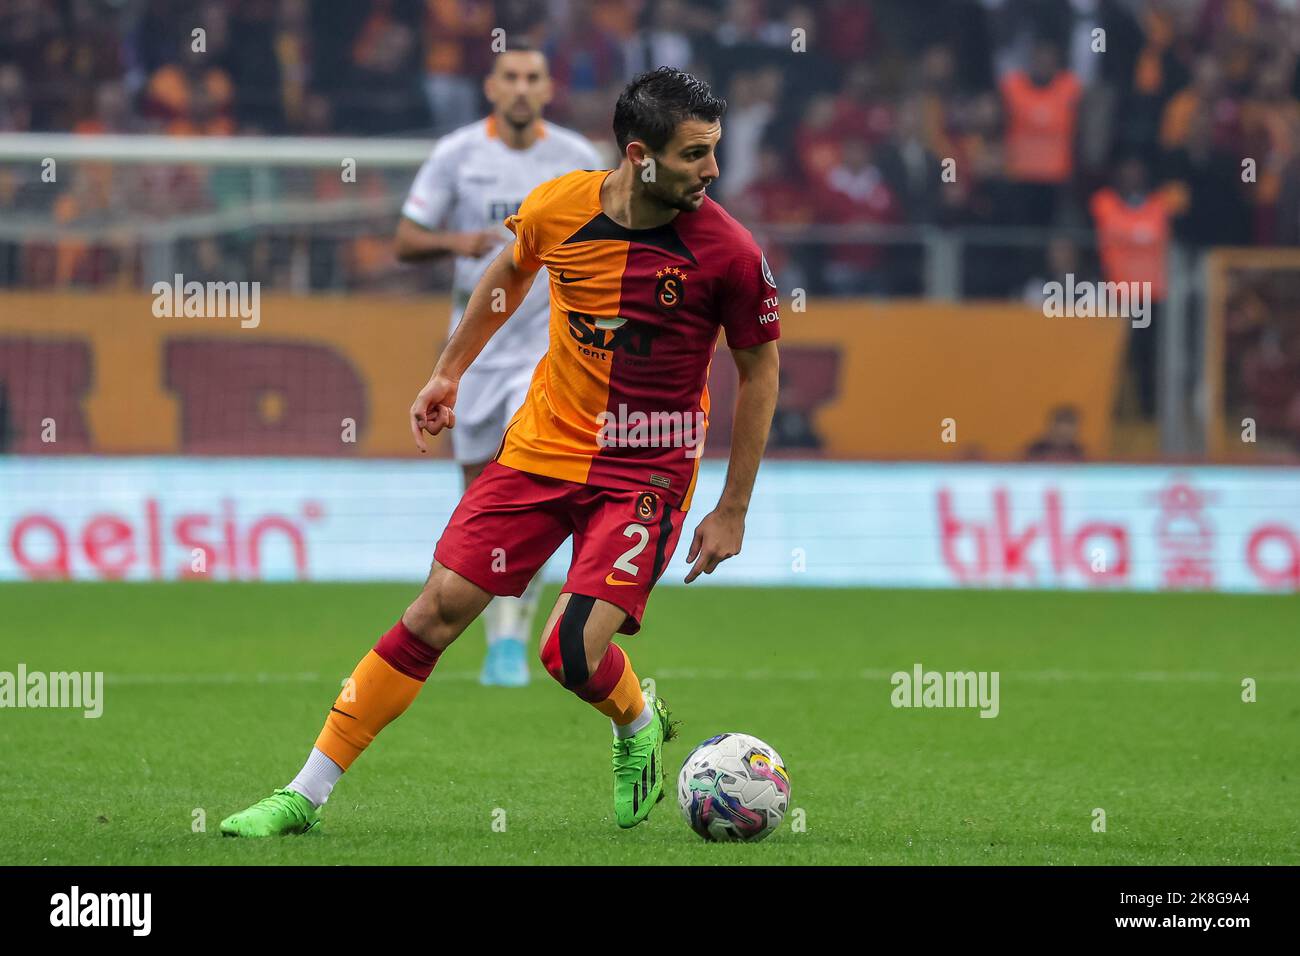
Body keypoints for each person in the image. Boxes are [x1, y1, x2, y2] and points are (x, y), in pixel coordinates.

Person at [220, 66, 782, 836]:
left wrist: (733, 507)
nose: (713, 171)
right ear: (638, 154)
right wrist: (449, 371)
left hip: (646, 466)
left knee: (569, 655)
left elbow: (760, 371)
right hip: (542, 450)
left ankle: (635, 723)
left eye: (714, 151)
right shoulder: (559, 206)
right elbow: (509, 273)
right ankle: (301, 795)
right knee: (433, 615)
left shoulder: (730, 252)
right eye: (695, 155)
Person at [394, 44, 601, 687]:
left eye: (532, 78)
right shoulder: (457, 153)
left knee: (530, 484)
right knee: (480, 500)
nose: (520, 88)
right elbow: (405, 239)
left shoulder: (577, 159)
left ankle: (515, 635)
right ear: (491, 86)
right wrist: (456, 242)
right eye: (509, 77)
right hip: (476, 355)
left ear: (547, 89)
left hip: (547, 351)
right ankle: (498, 638)